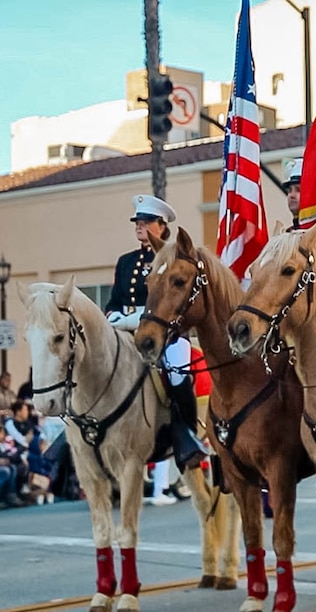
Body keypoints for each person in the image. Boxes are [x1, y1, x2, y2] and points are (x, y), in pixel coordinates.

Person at [104, 194, 207, 505]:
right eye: (137, 222)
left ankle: (185, 435)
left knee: (177, 372)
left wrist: (143, 317)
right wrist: (115, 317)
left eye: (146, 222)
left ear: (162, 227)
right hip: (127, 333)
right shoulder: (125, 262)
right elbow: (113, 302)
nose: (140, 226)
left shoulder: (175, 259)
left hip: (167, 335)